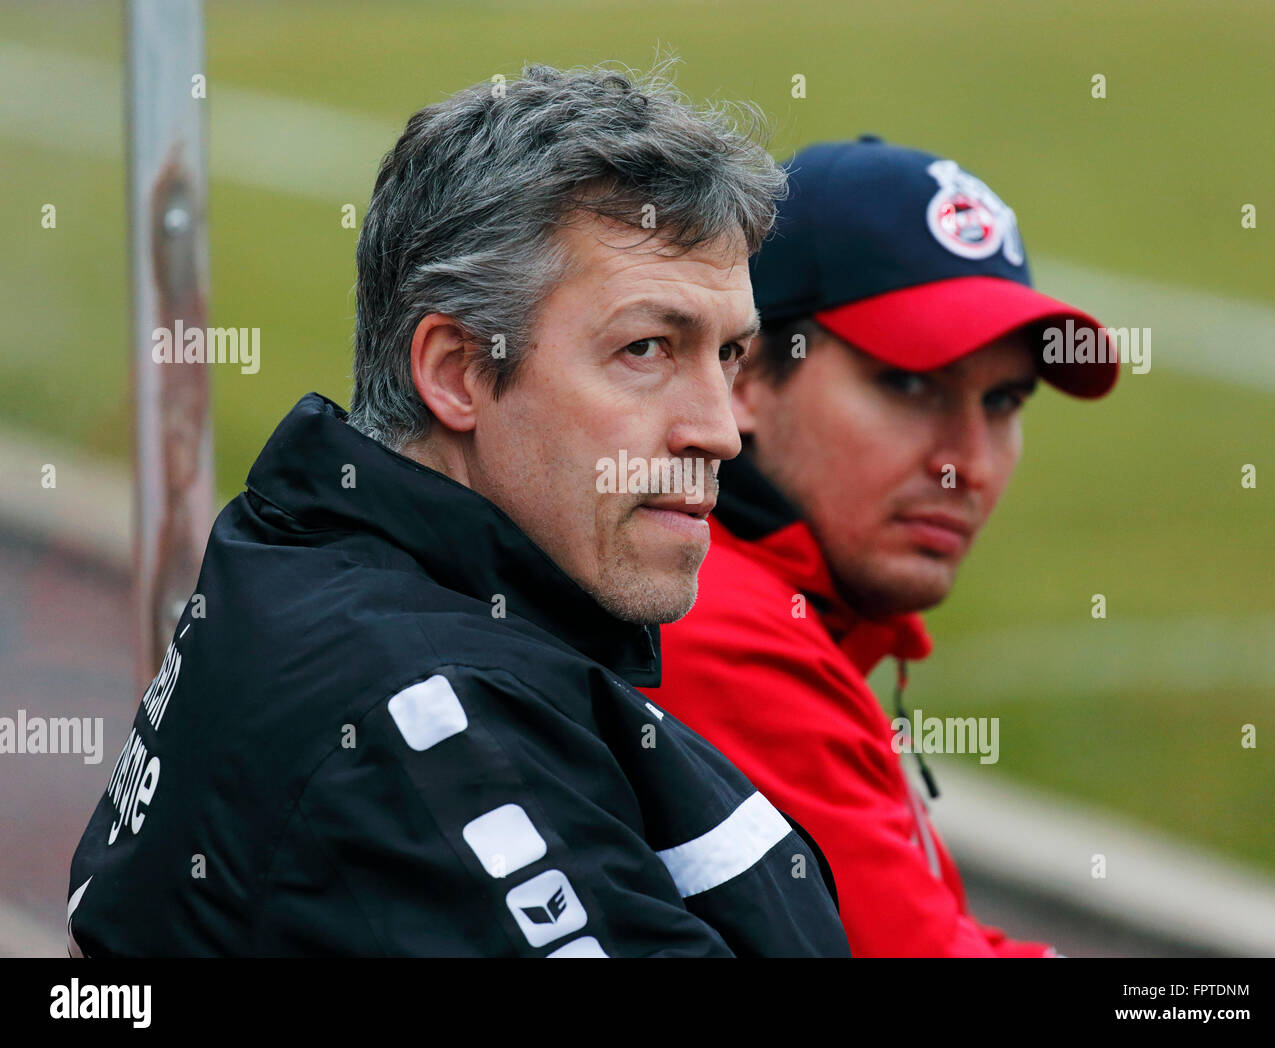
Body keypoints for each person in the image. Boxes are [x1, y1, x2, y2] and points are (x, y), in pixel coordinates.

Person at [65, 65, 850, 958]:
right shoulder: (420, 729)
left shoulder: (304, 549)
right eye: (646, 348)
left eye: (731, 353)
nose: (719, 432)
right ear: (456, 372)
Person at [643, 135, 1119, 957]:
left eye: (1003, 401)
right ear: (745, 378)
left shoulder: (760, 598)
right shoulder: (718, 628)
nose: (965, 462)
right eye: (907, 383)